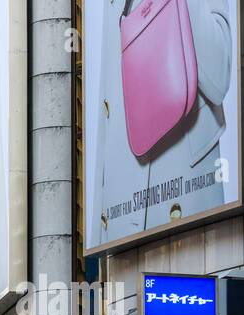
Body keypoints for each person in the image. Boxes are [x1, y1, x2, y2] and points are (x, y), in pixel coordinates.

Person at [88, 0, 234, 248]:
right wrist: (97, 242)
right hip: (123, 216)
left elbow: (219, 79)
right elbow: (108, 109)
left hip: (187, 196)